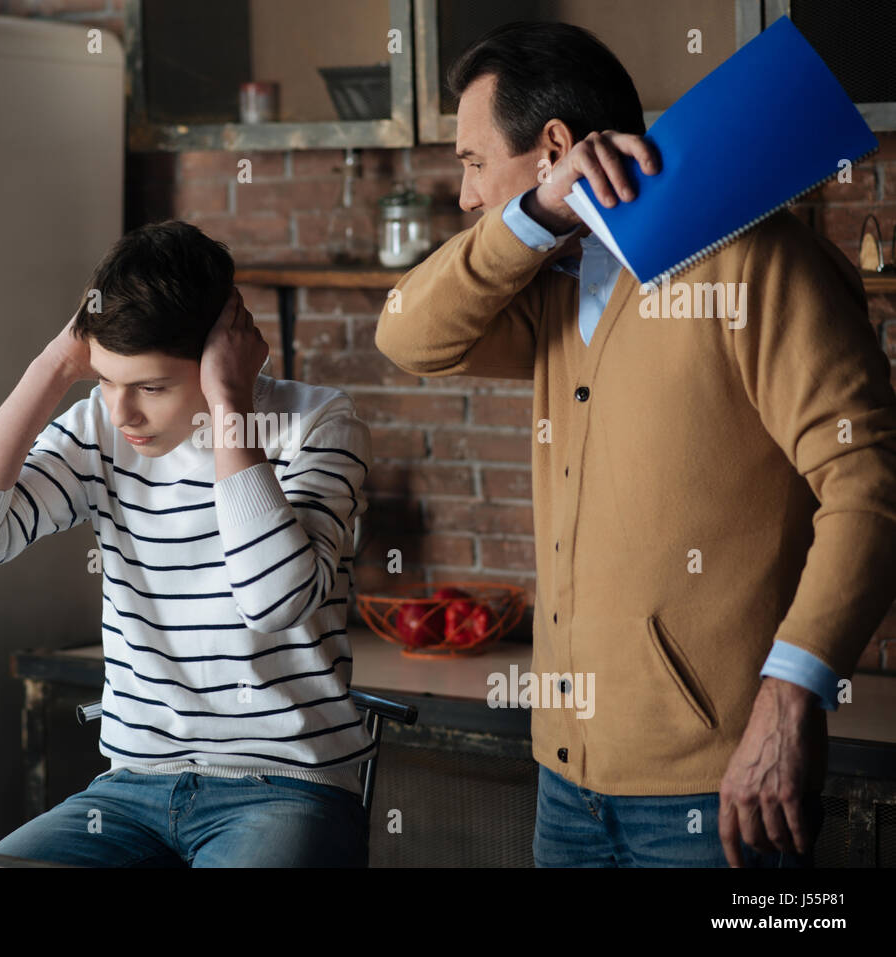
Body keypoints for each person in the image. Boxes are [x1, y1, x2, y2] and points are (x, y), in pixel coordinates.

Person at [375, 21, 896, 867]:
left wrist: (791, 695)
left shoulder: (754, 261)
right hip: (565, 783)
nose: (468, 196)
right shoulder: (548, 287)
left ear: (552, 146)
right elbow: (407, 337)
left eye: (473, 162)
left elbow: (870, 483)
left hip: (717, 787)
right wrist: (535, 216)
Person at [0, 220, 375, 867]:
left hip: (286, 788)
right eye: (105, 379)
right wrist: (52, 367)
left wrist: (229, 408)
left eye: (151, 387)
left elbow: (273, 601)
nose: (122, 411)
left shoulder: (317, 423)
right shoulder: (100, 430)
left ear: (227, 355)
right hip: (131, 789)